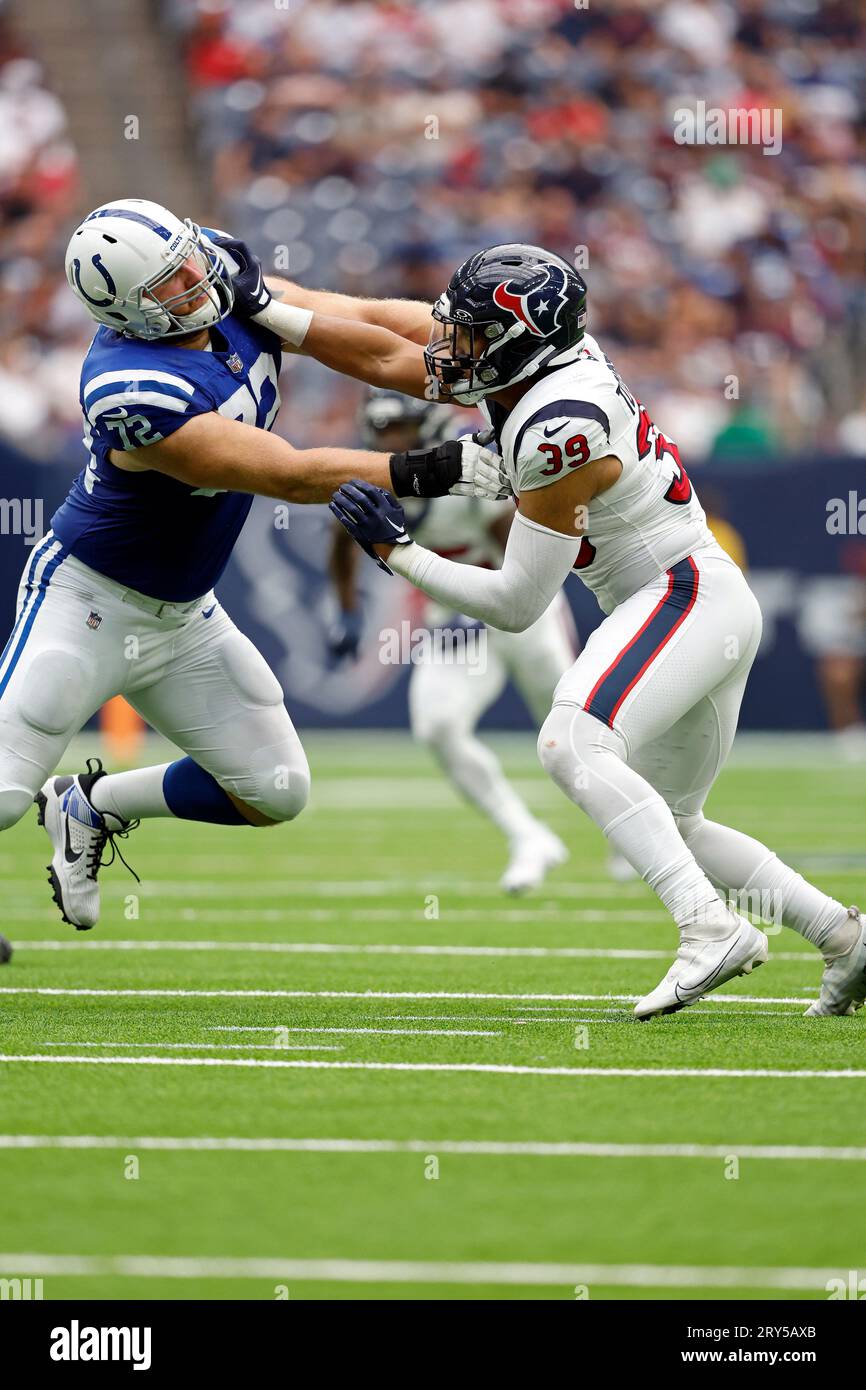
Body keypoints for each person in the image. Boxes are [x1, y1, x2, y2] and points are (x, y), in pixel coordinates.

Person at [259, 241, 863, 1019]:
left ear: (518, 339)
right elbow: (380, 330)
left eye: (472, 333)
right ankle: (845, 939)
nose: (452, 347)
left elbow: (516, 602)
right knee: (676, 823)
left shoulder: (557, 425)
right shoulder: (544, 363)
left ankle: (708, 928)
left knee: (570, 740)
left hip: (679, 594)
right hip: (696, 597)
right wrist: (259, 298)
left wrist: (397, 554)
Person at [0, 199, 502, 930]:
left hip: (184, 614)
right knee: (5, 795)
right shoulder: (130, 387)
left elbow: (357, 323)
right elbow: (289, 475)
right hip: (90, 603)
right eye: (169, 286)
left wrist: (480, 342)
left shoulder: (218, 273)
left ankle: (90, 806)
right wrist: (430, 468)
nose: (195, 284)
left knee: (273, 790)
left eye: (188, 263)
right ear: (128, 314)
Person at [330, 387, 577, 893]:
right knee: (438, 726)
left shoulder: (465, 465)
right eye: (381, 432)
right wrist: (347, 612)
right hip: (457, 619)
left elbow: (521, 553)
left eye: (399, 430)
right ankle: (526, 835)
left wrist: (490, 599)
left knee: (569, 727)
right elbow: (342, 537)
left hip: (522, 606)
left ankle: (632, 837)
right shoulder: (376, 475)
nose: (389, 443)